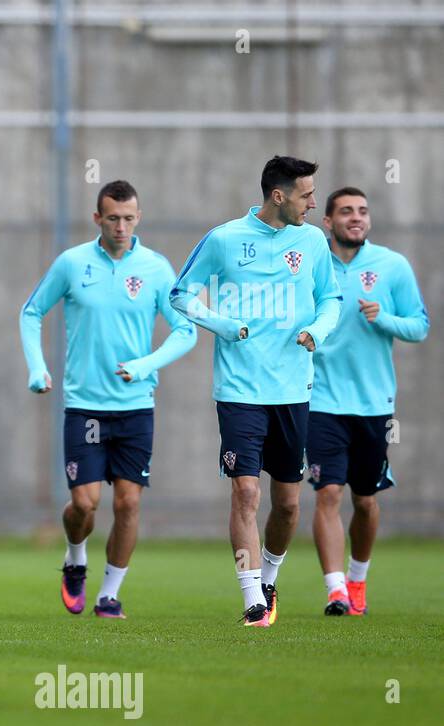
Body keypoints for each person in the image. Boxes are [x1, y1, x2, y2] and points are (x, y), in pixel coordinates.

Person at [170, 156, 341, 627]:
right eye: (306, 194)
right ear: (278, 195)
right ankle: (252, 599)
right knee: (246, 492)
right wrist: (222, 325)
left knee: (287, 505)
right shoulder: (224, 238)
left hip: (293, 388)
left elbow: (331, 299)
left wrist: (318, 332)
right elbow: (180, 294)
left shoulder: (311, 242)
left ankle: (269, 577)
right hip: (240, 389)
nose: (313, 203)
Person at [20, 180, 196, 619]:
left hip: (136, 405)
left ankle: (109, 595)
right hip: (85, 405)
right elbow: (31, 312)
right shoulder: (72, 263)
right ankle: (75, 556)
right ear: (97, 218)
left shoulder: (156, 269)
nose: (121, 226)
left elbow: (186, 330)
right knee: (85, 503)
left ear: (139, 218)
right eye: (113, 218)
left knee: (128, 502)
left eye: (129, 218)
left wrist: (145, 364)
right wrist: (36, 367)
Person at [309, 187, 428, 615]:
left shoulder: (392, 266)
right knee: (328, 494)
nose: (356, 218)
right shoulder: (311, 266)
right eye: (345, 212)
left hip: (374, 405)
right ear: (328, 221)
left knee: (365, 501)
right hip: (320, 402)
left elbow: (420, 326)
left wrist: (385, 319)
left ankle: (357, 580)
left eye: (362, 210)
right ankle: (335, 589)